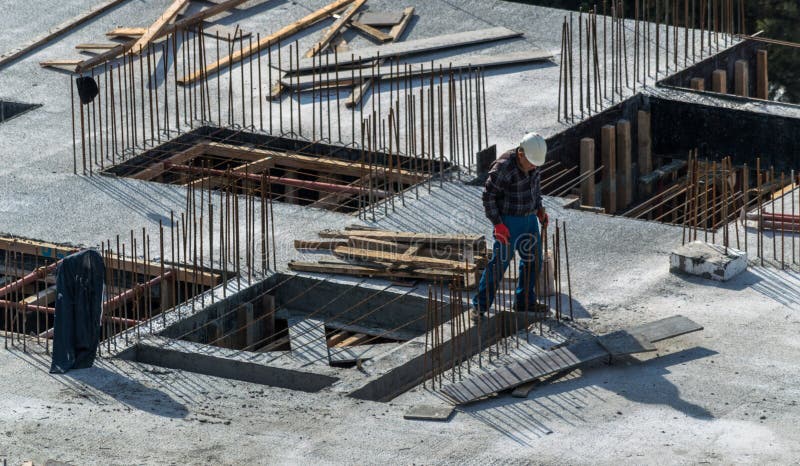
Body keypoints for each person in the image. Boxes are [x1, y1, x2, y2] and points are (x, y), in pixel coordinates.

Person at [472, 132, 549, 320]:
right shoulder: (503, 167)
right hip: (508, 222)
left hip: (530, 219)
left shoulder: (533, 162)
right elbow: (488, 197)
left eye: (536, 164)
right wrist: (498, 224)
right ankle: (480, 307)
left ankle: (524, 301)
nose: (534, 167)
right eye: (531, 163)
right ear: (521, 154)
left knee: (534, 261)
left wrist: (539, 209)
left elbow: (535, 189)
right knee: (499, 264)